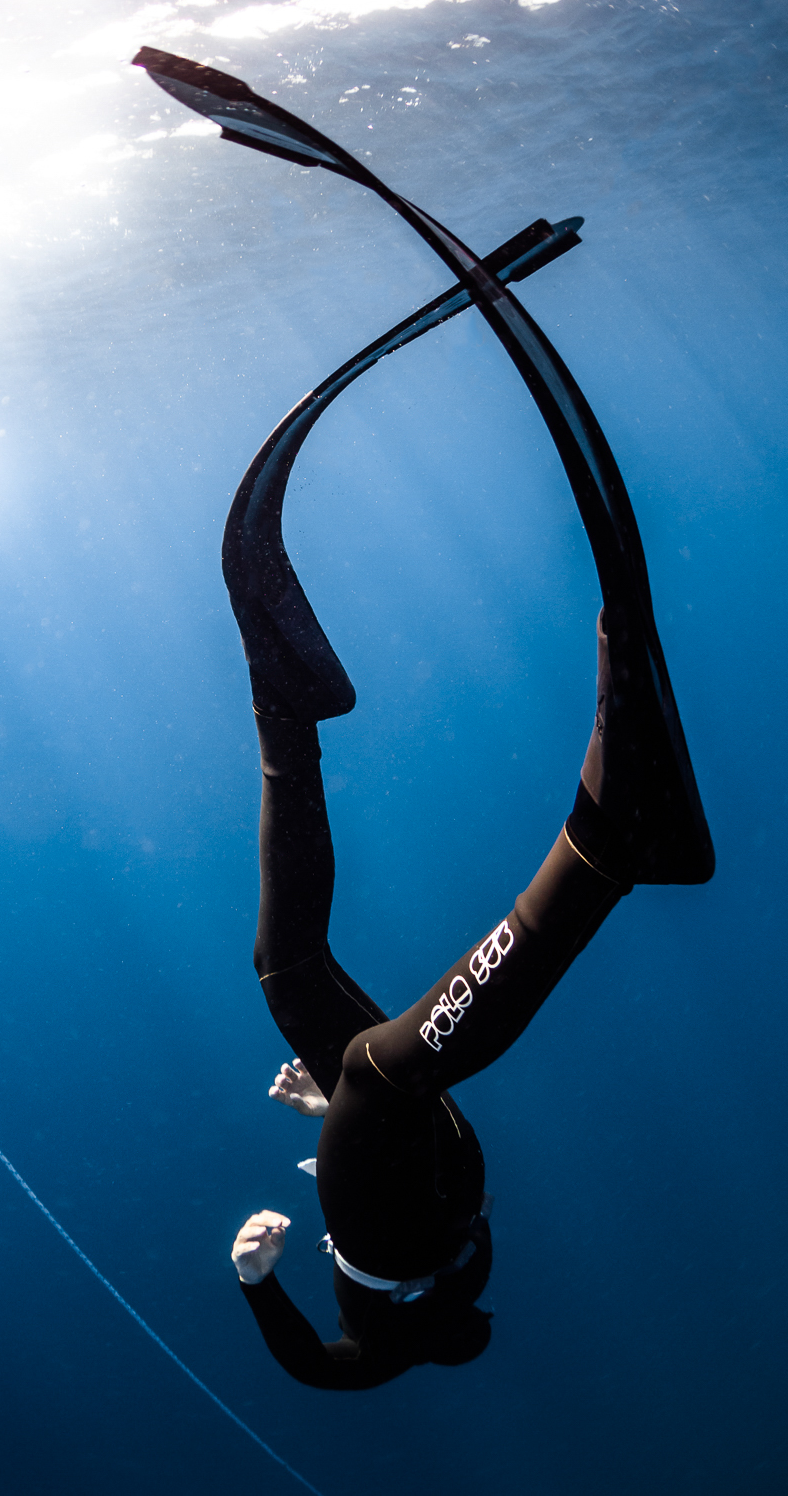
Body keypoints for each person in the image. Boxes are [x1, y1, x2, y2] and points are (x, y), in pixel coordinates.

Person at [221, 384, 715, 1395]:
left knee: (291, 974)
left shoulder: (435, 1291)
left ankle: (291, 706)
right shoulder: (388, 1343)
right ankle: (609, 849)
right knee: (372, 1073)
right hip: (406, 1202)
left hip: (439, 1185)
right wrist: (256, 1282)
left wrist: (333, 1145)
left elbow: (371, 1312)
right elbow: (324, 1369)